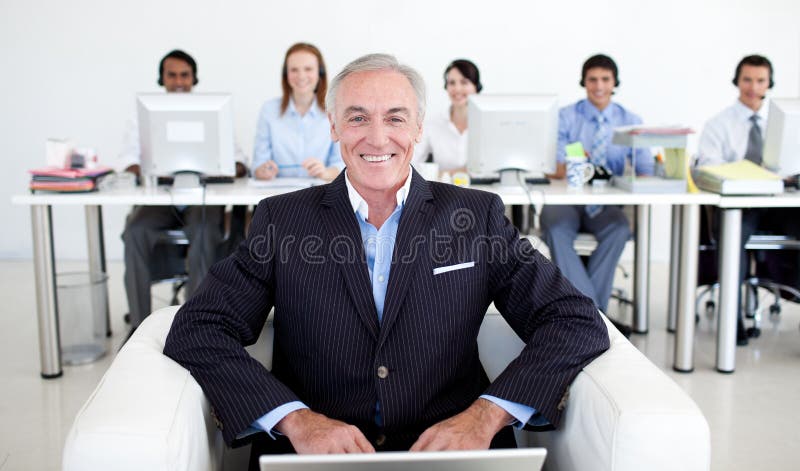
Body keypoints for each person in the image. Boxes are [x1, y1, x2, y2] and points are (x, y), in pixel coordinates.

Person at [163, 53, 609, 467]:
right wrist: (294, 420)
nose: (377, 138)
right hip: (315, 458)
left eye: (395, 118)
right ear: (333, 126)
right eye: (358, 118)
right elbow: (199, 328)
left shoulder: (477, 216)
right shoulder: (282, 219)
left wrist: (487, 415)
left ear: (418, 128)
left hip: (450, 455)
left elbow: (572, 319)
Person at [119, 49, 247, 329]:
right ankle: (139, 327)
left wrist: (230, 166)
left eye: (185, 75)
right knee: (135, 232)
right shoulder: (144, 114)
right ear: (161, 79)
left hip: (203, 196)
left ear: (194, 79)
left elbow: (238, 159)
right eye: (172, 75)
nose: (178, 81)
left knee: (203, 232)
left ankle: (192, 324)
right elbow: (128, 160)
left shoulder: (213, 112)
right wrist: (147, 168)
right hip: (161, 198)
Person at [540, 54, 652, 332]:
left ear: (614, 83)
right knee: (555, 228)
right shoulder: (566, 117)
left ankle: (584, 315)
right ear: (584, 82)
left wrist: (632, 169)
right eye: (593, 79)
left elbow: (646, 168)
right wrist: (572, 164)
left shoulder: (630, 120)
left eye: (605, 79)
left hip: (604, 202)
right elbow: (551, 165)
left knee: (619, 229)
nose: (599, 86)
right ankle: (596, 314)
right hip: (565, 198)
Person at [695, 54, 798, 345]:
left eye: (760, 80)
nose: (753, 87)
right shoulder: (720, 124)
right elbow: (708, 168)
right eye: (747, 80)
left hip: (781, 205)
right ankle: (732, 319)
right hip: (742, 205)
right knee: (733, 235)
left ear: (769, 84)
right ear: (737, 82)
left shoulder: (787, 123)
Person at [252, 43, 343, 182]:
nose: (301, 76)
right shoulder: (269, 110)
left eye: (308, 69)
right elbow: (257, 166)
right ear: (286, 75)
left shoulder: (334, 110)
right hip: (279, 196)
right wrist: (263, 171)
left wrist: (325, 172)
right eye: (294, 70)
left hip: (319, 194)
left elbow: (342, 166)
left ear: (320, 73)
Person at [412, 59, 482, 174]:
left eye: (464, 82)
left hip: (484, 189)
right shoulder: (432, 124)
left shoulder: (487, 125)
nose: (457, 89)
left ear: (476, 87)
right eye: (452, 83)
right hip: (445, 188)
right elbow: (412, 163)